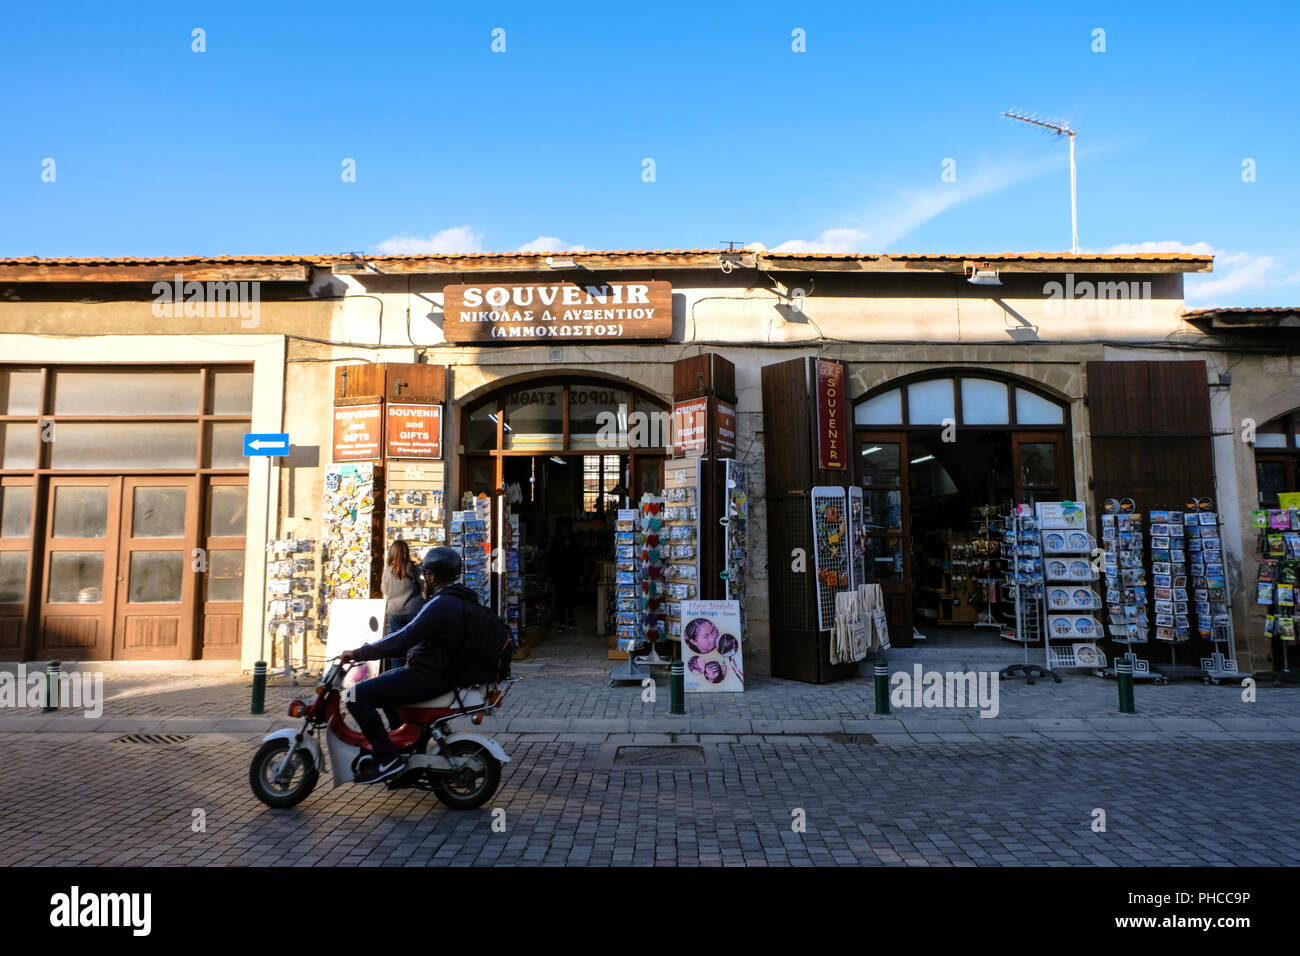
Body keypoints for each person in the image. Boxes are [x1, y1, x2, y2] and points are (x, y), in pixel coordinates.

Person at [339, 547, 472, 784]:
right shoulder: (457, 599)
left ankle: (388, 758)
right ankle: (402, 749)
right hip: (439, 672)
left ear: (434, 577)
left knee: (354, 696)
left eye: (426, 575)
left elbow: (403, 638)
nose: (424, 580)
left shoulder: (440, 604)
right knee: (386, 685)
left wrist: (360, 652)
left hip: (430, 676)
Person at [549, 524, 578, 631]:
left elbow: (578, 559)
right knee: (561, 600)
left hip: (570, 576)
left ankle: (570, 619)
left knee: (570, 599)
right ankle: (562, 622)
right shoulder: (556, 543)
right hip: (560, 576)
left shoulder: (574, 543)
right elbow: (552, 559)